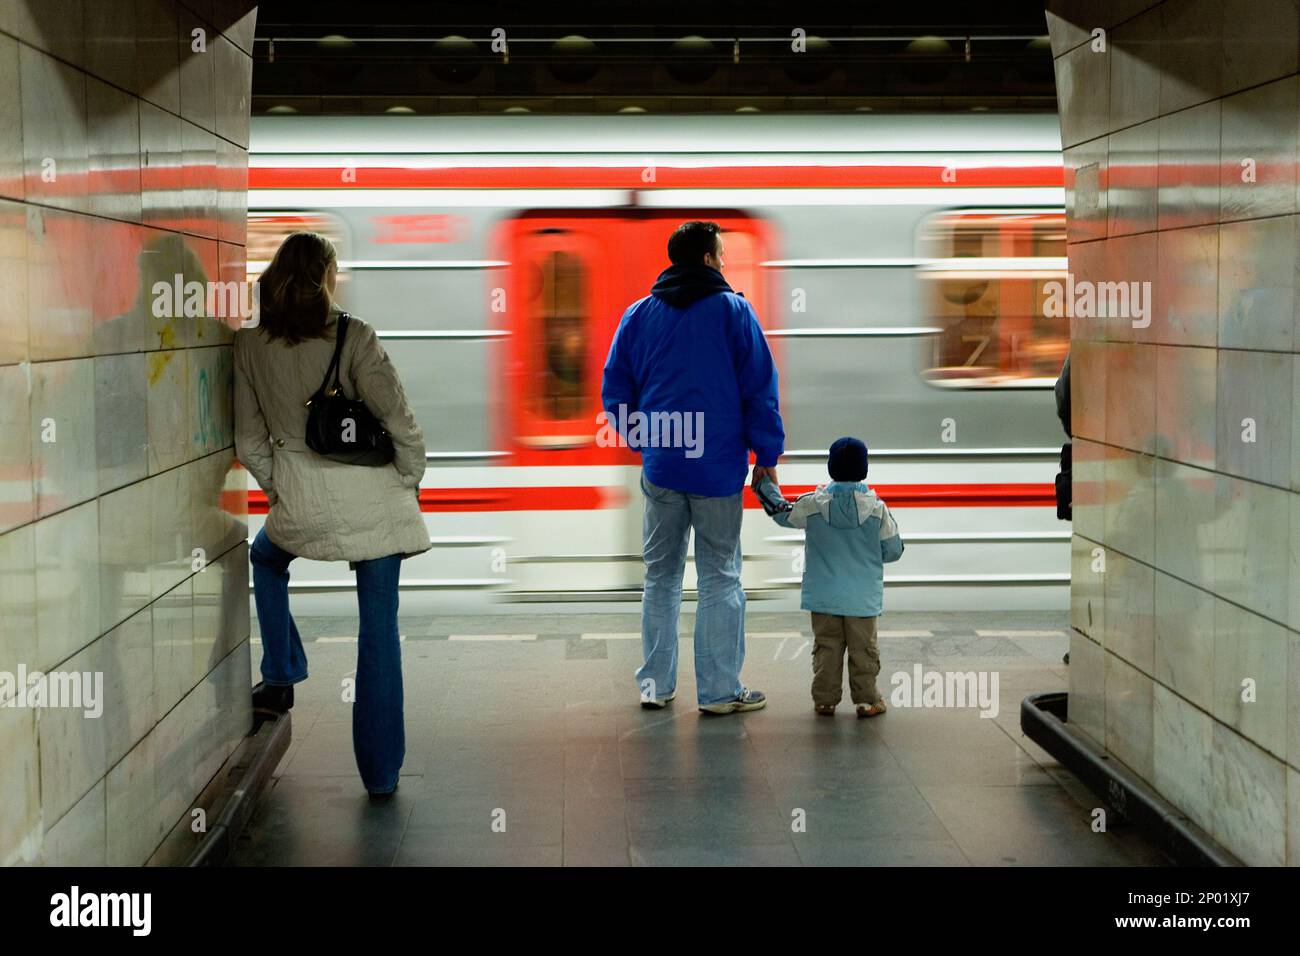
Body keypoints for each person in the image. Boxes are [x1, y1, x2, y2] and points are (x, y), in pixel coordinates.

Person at [233, 232, 431, 795]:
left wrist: (283, 490)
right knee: (378, 634)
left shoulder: (249, 347)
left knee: (265, 560)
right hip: (377, 504)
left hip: (299, 501)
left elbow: (249, 444)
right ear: (326, 277)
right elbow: (399, 418)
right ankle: (380, 775)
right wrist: (407, 476)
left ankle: (281, 672)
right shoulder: (355, 336)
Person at [601, 220, 784, 714]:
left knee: (659, 576)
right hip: (718, 470)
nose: (724, 262)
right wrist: (767, 458)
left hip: (663, 469)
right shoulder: (733, 312)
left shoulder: (639, 314)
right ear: (706, 258)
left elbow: (615, 391)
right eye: (720, 254)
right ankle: (720, 690)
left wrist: (648, 441)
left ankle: (655, 687)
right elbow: (759, 391)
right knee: (720, 574)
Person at [755, 437, 903, 718]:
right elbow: (894, 550)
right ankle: (867, 701)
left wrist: (764, 484)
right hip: (862, 600)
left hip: (823, 598)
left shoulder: (813, 505)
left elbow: (779, 513)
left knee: (826, 649)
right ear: (864, 469)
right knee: (864, 651)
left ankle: (825, 701)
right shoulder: (877, 509)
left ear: (831, 468)